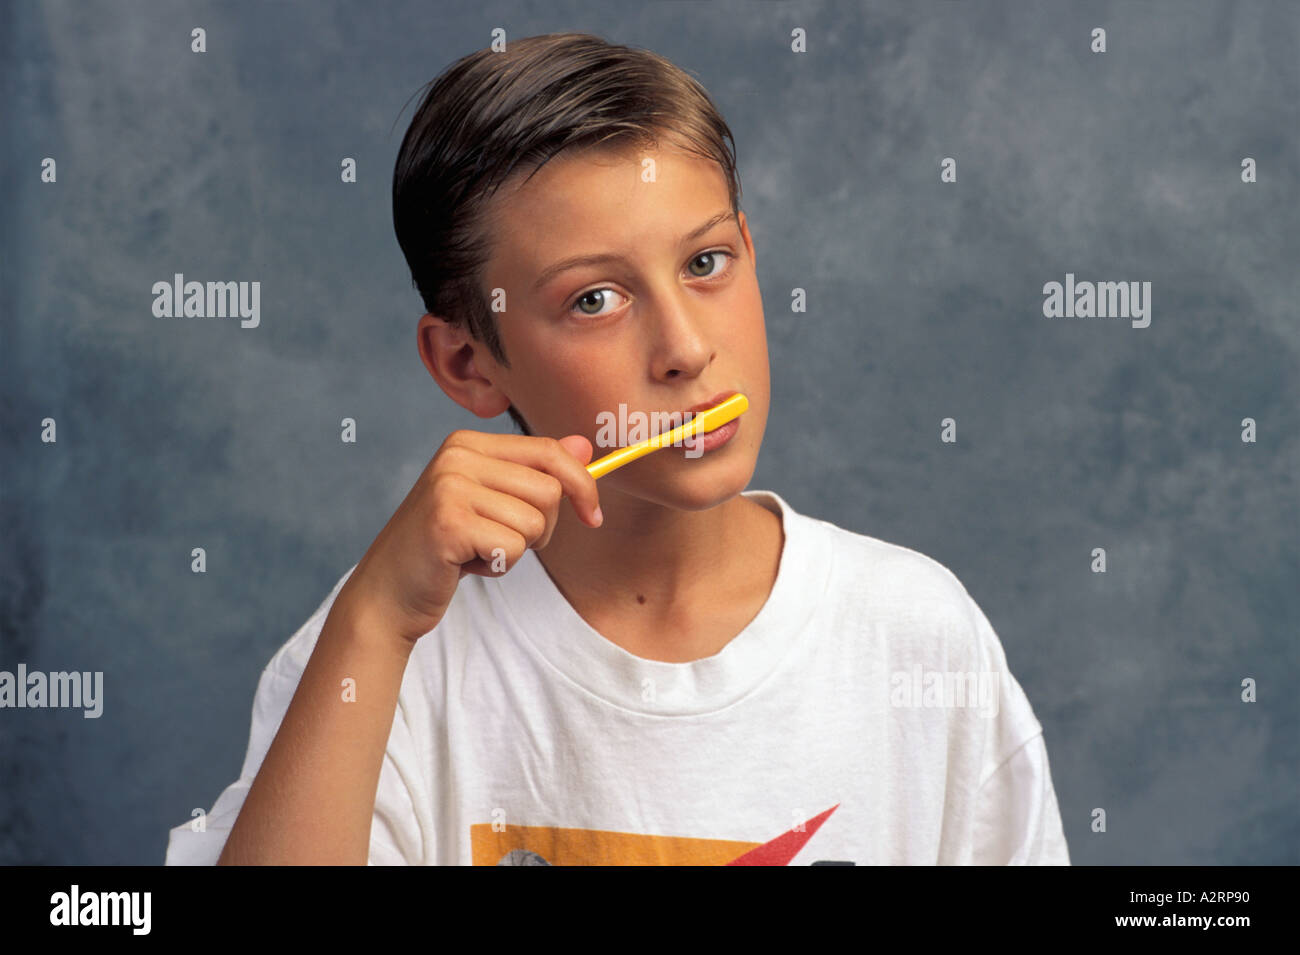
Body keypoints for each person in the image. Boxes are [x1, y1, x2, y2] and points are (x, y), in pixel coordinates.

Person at [165, 32, 1069, 865]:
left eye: (706, 263)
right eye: (595, 299)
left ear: (750, 250)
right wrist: (369, 623)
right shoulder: (379, 661)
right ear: (469, 363)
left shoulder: (916, 636)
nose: (685, 348)